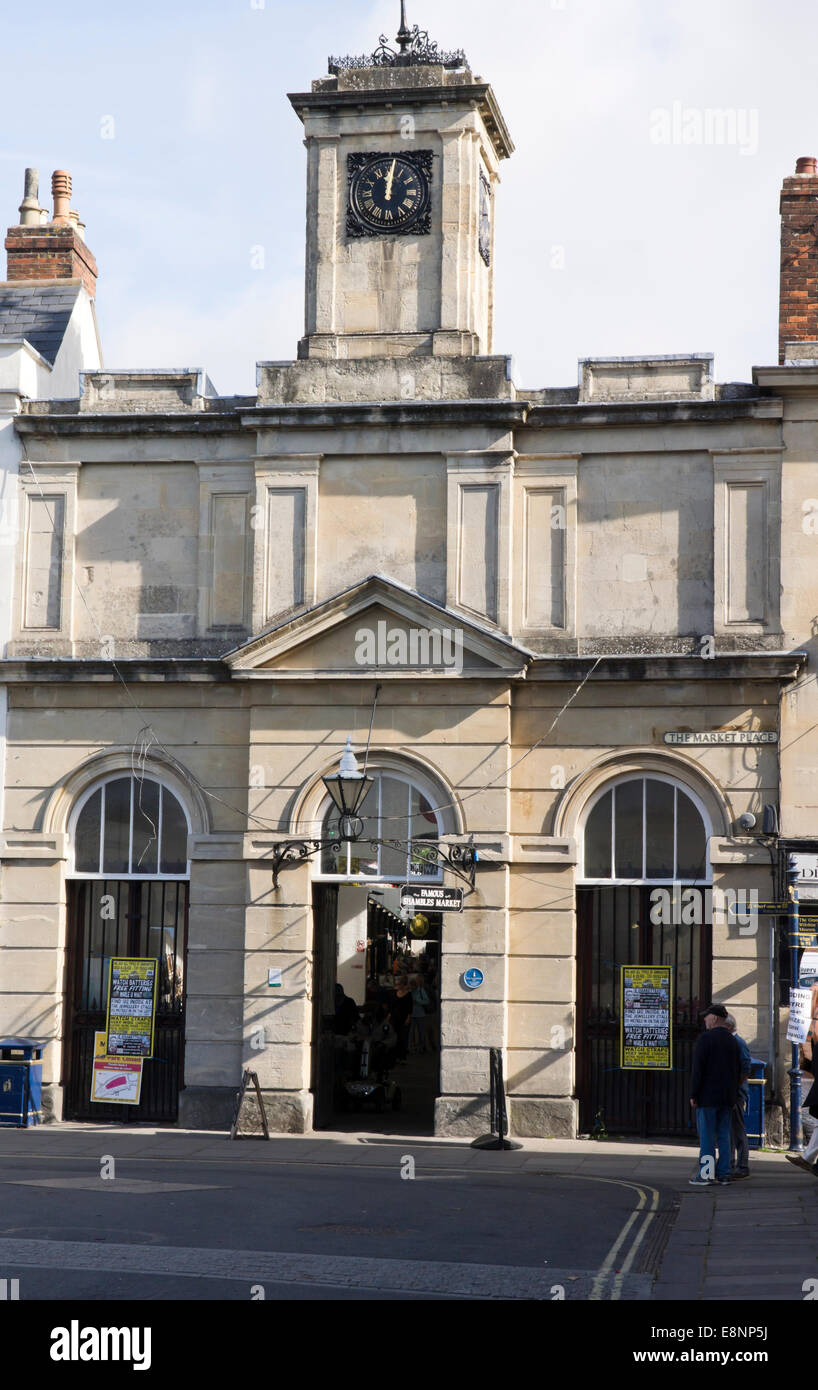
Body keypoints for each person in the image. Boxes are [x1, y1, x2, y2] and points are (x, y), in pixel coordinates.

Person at [689, 1002, 743, 1187]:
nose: (704, 1019)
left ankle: (706, 1175)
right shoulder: (732, 1041)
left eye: (706, 1016)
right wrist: (733, 1095)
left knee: (707, 1137)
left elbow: (698, 1070)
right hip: (727, 1098)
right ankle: (724, 1174)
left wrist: (693, 1093)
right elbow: (738, 1070)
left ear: (714, 1018)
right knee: (723, 1136)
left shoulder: (706, 1039)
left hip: (707, 1097)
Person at [726, 1014, 752, 1180]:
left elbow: (745, 1069)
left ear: (728, 1027)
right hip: (731, 1092)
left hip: (736, 1093)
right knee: (729, 1128)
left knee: (737, 1128)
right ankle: (730, 1161)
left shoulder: (738, 1043)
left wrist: (735, 1088)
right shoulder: (732, 1042)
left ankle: (742, 1165)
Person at [389, 974, 413, 1062]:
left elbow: (410, 1007)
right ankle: (395, 1056)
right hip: (395, 1018)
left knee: (403, 1037)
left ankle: (402, 1057)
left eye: (398, 984)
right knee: (395, 1037)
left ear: (403, 985)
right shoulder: (394, 994)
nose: (397, 986)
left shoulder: (408, 995)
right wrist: (389, 1016)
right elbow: (392, 1007)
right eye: (396, 984)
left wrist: (408, 1018)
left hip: (404, 1018)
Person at [408, 974, 431, 1053]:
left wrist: (418, 1001)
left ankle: (421, 1047)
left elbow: (427, 1001)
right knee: (410, 1032)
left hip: (420, 1014)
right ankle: (410, 1047)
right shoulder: (409, 992)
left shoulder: (421, 990)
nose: (412, 988)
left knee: (421, 1031)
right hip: (411, 1014)